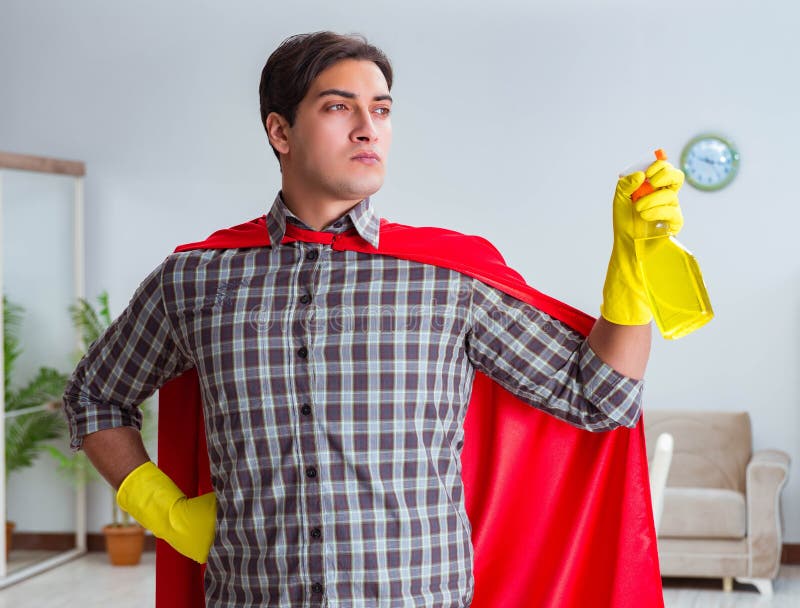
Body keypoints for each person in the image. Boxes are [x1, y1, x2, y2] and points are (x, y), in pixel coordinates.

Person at [63, 31, 683, 607]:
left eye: (381, 110)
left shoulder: (448, 278)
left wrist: (630, 271)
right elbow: (94, 396)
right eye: (339, 108)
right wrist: (165, 510)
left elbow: (600, 399)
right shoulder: (197, 278)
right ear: (281, 132)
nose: (369, 129)